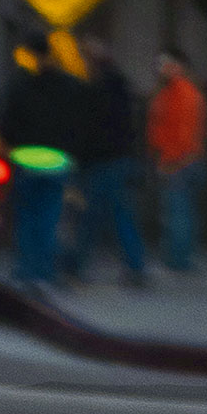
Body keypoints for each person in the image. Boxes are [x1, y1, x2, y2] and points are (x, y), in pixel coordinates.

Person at [0, 38, 84, 287]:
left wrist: (10, 145)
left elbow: (7, 123)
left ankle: (27, 268)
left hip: (26, 158)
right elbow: (78, 123)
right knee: (49, 216)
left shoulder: (20, 86)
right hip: (57, 159)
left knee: (27, 216)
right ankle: (45, 269)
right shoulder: (68, 87)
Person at [65, 35, 149, 286]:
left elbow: (86, 130)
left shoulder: (91, 90)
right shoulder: (119, 87)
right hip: (120, 159)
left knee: (89, 217)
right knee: (122, 214)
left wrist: (78, 158)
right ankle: (135, 266)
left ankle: (77, 265)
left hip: (99, 162)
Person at [148, 46, 207, 272]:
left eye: (166, 63)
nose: (160, 68)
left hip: (179, 161)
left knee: (177, 213)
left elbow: (181, 132)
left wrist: (170, 162)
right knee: (184, 212)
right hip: (188, 159)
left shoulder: (178, 92)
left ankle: (178, 260)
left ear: (179, 65)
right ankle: (182, 257)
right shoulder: (186, 91)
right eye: (159, 63)